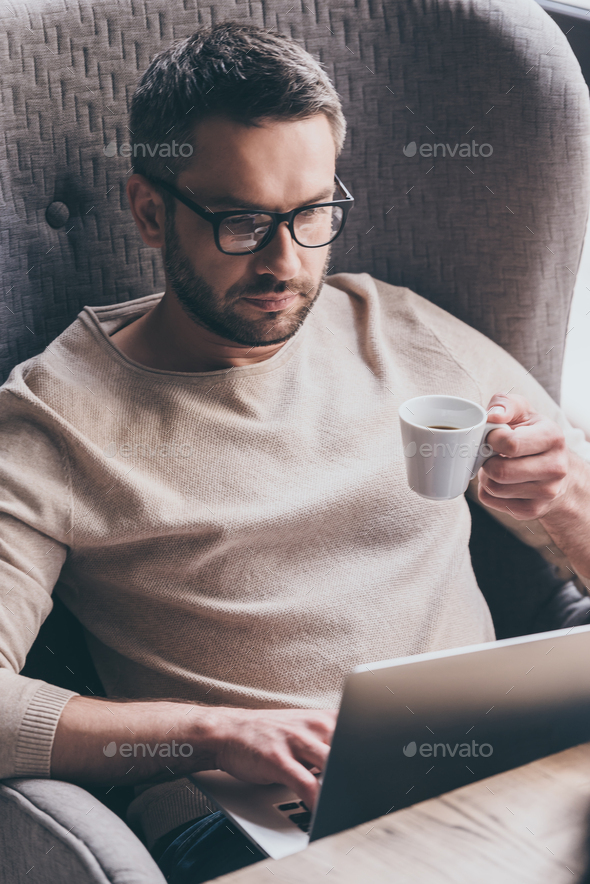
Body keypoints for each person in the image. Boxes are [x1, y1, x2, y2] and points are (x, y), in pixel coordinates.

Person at [1, 20, 590, 884]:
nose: (286, 260)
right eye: (244, 222)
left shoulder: (397, 328)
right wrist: (210, 734)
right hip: (268, 828)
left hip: (515, 757)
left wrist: (566, 498)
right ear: (150, 211)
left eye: (313, 213)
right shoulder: (54, 420)